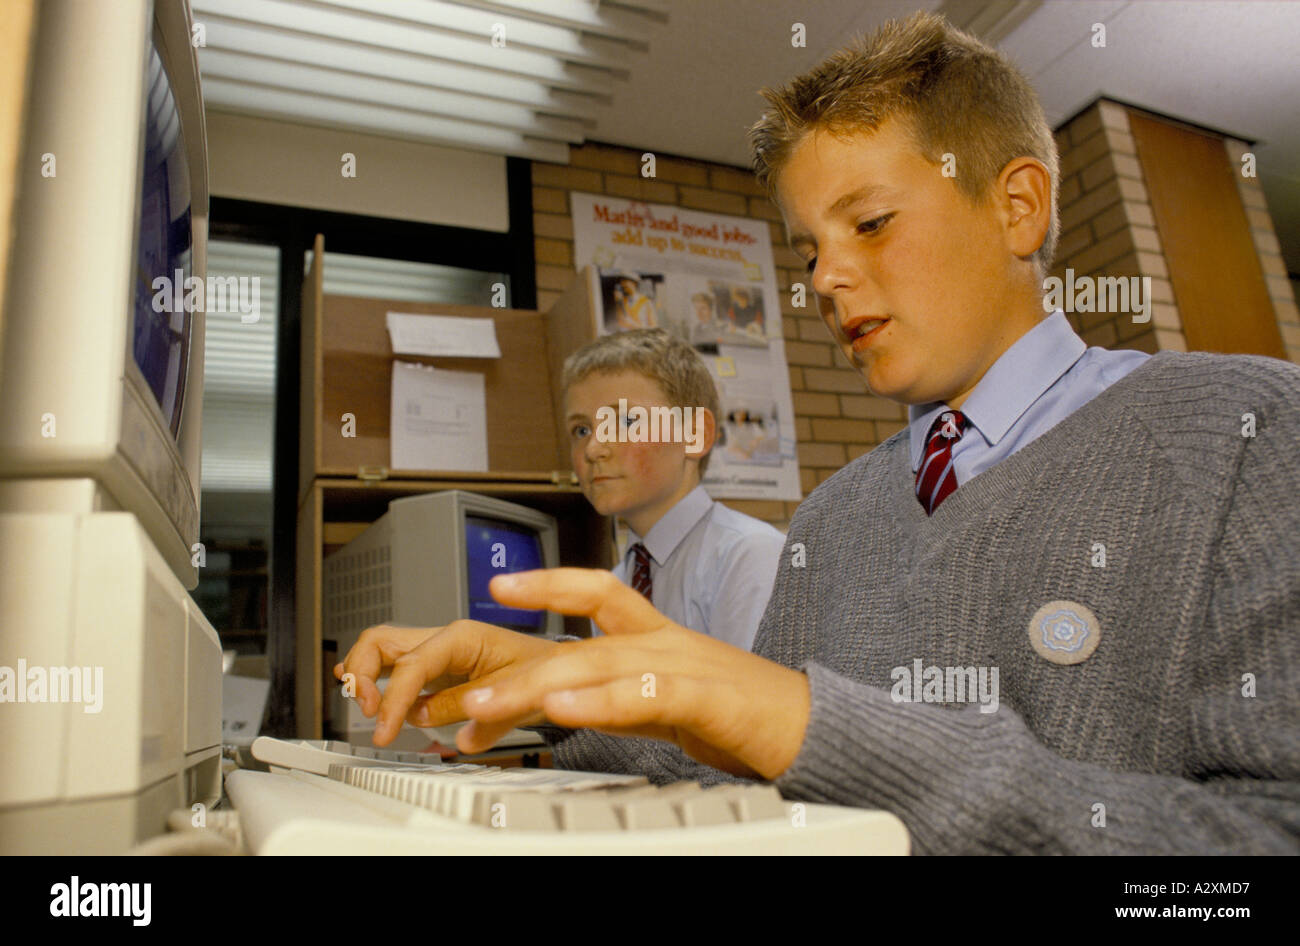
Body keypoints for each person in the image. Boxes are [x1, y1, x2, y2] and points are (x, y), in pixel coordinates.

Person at [337, 11, 1299, 854]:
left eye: (871, 223)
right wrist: (564, 688)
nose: (825, 278)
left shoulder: (1242, 432)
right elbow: (769, 787)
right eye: (808, 249)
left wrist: (815, 725)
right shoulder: (835, 518)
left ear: (1018, 207)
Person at [560, 328, 784, 651]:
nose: (593, 448)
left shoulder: (749, 557)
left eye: (625, 422)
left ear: (694, 434)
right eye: (581, 429)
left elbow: (759, 700)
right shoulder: (618, 583)